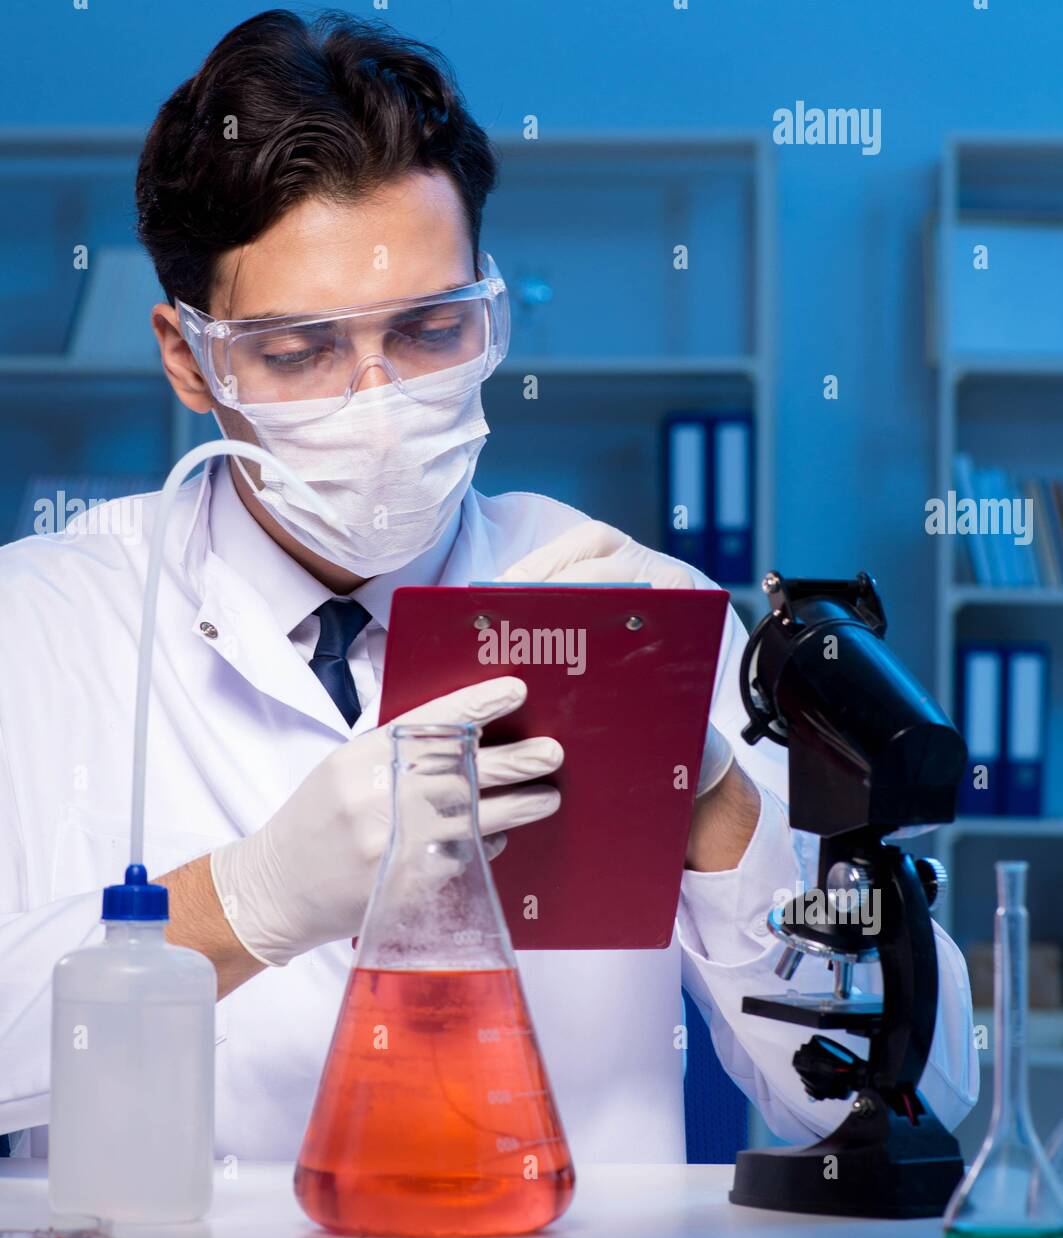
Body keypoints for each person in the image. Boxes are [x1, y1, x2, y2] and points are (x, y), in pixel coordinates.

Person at [0, 10, 977, 1163]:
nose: (375, 399)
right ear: (189, 358)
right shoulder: (43, 626)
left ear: (489, 308)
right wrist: (244, 900)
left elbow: (917, 1093)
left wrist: (718, 810)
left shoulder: (639, 606)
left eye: (427, 329)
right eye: (298, 350)